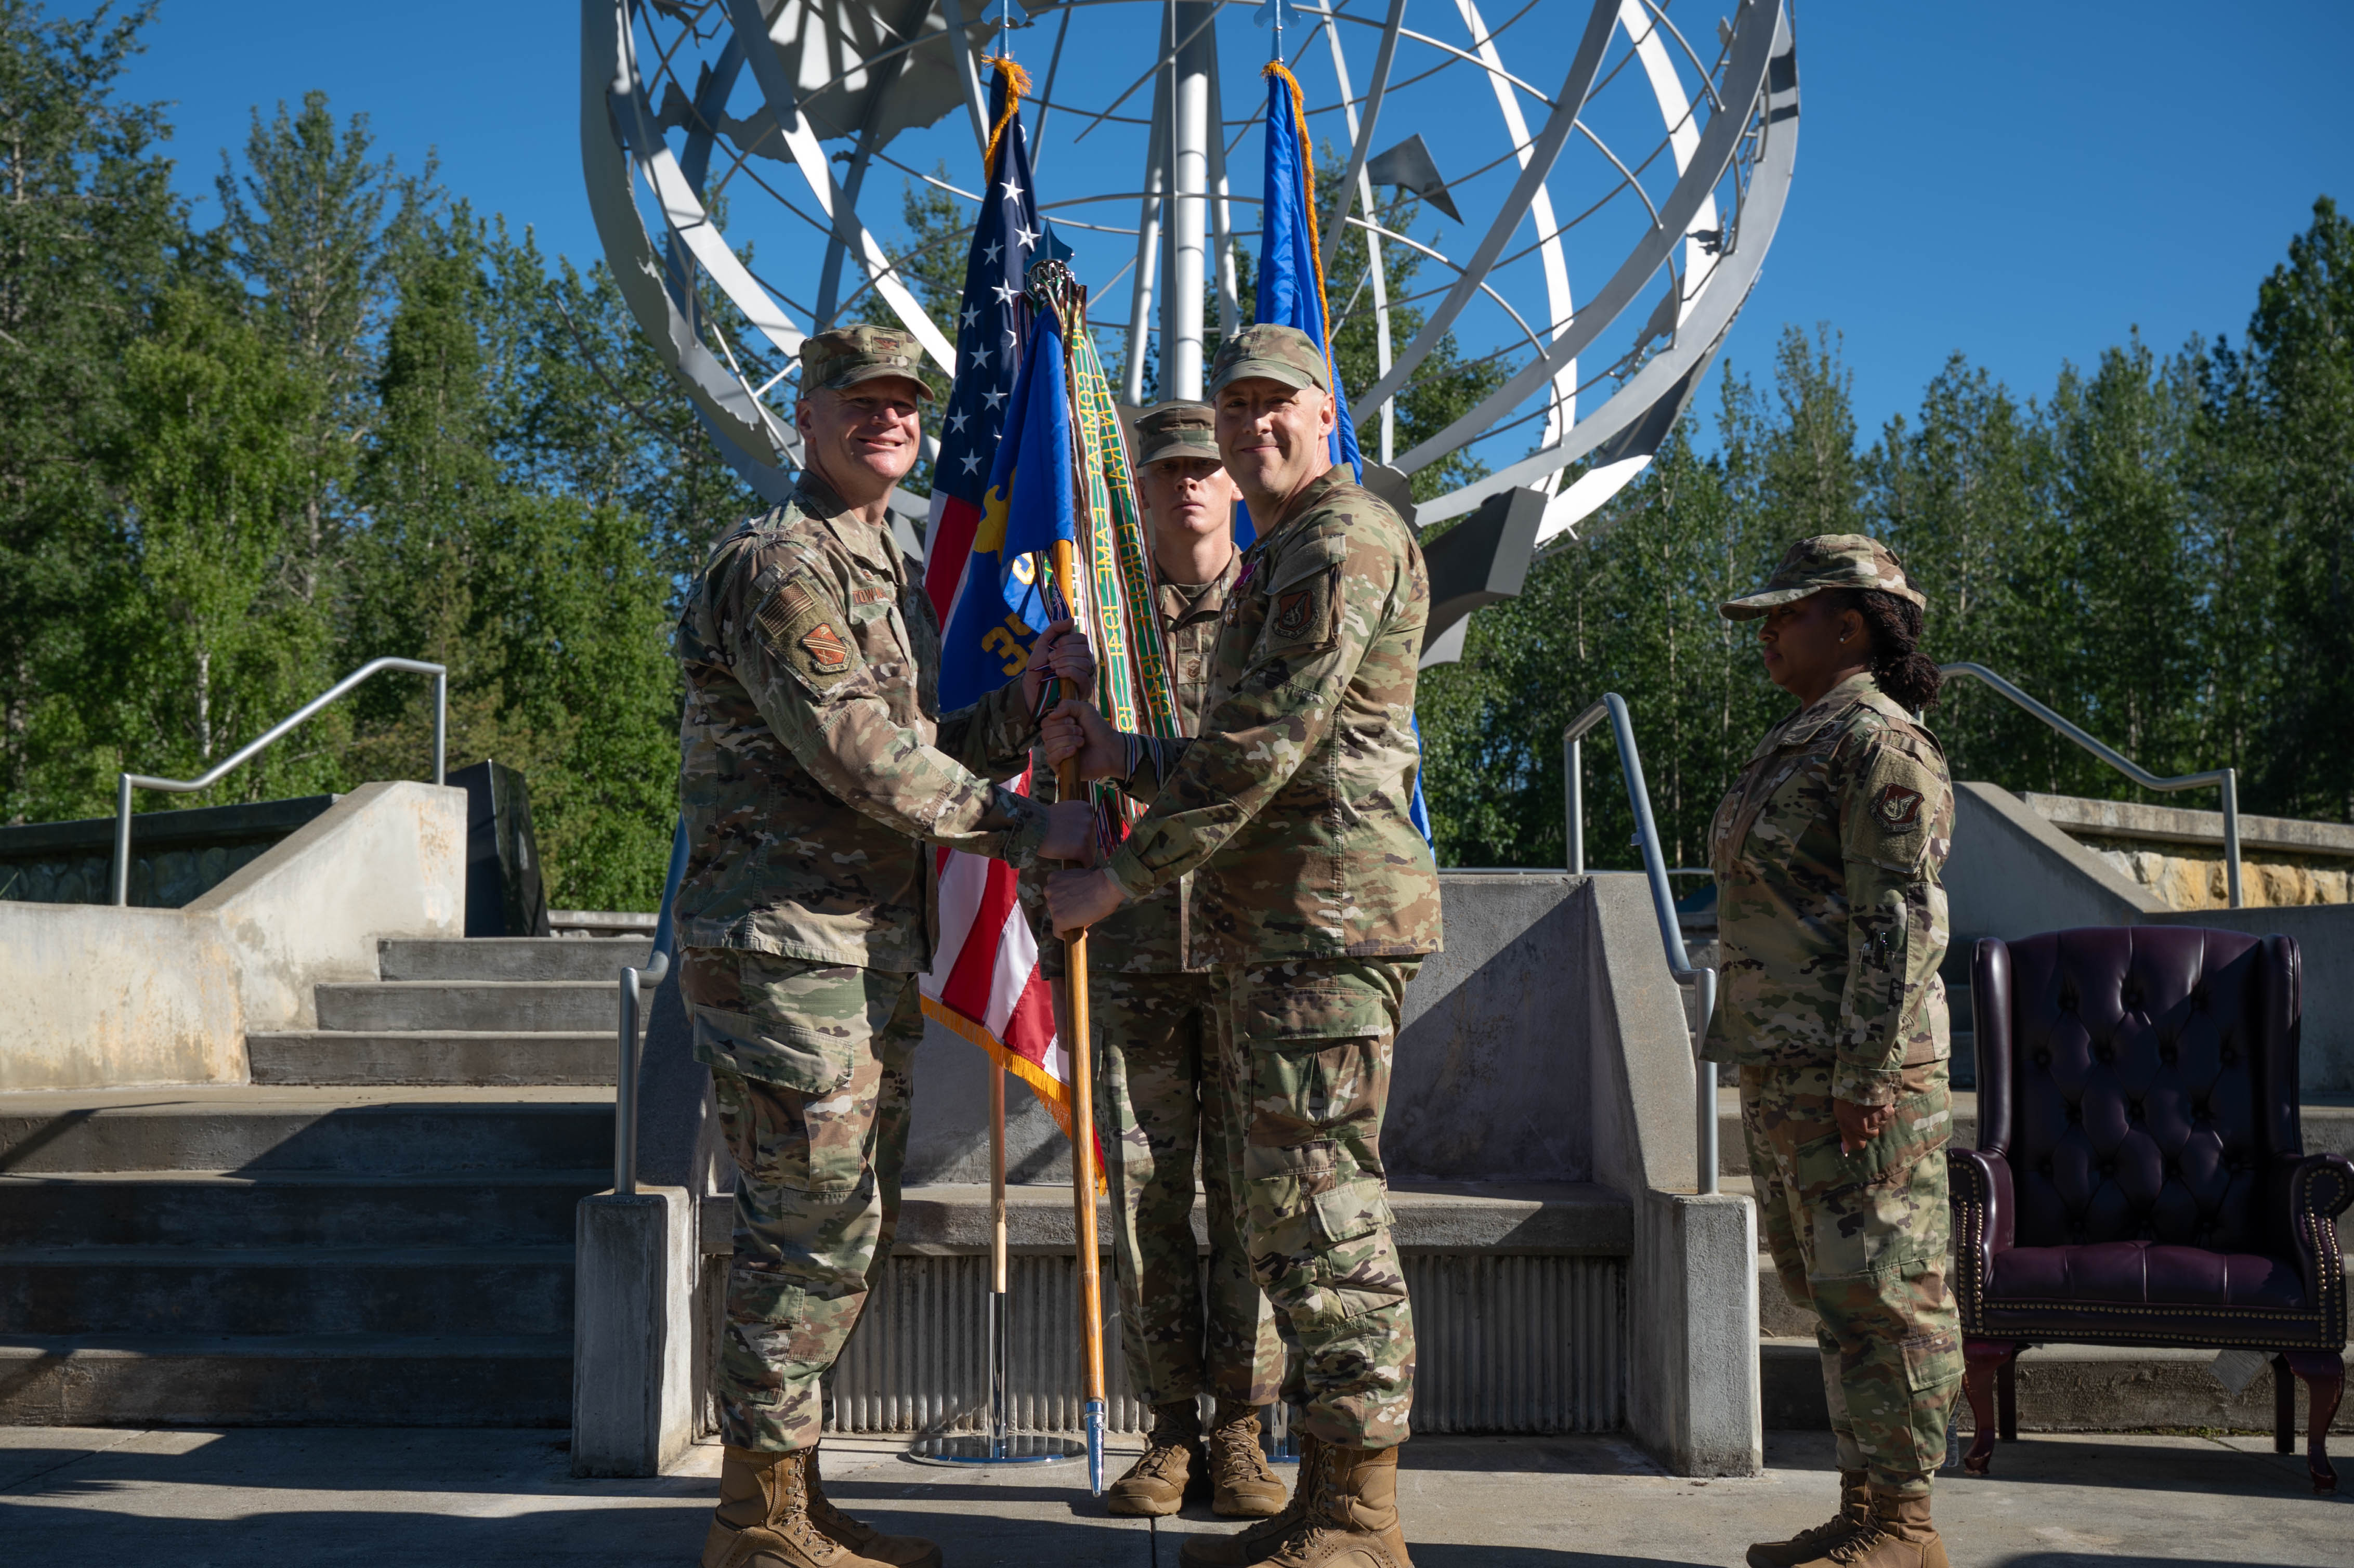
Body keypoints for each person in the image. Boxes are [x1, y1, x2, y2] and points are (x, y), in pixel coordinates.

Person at [674, 324, 1097, 1568]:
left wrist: (1026, 704)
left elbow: (925, 735)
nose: (888, 418)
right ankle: (756, 1522)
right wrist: (1027, 823)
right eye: (857, 400)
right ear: (803, 418)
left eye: (905, 402)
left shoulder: (881, 563)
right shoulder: (779, 563)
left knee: (846, 1220)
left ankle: (792, 1500)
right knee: (806, 1221)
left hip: (854, 944)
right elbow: (857, 750)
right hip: (784, 945)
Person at [1044, 323, 1441, 1568]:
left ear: (1326, 418)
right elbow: (1262, 746)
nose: (1251, 426)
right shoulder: (1299, 546)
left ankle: (1355, 1513)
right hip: (1276, 931)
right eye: (1234, 407)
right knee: (1289, 1214)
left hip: (1316, 927)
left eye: (1278, 404)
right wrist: (1122, 761)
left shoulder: (1340, 538)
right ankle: (1328, 1498)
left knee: (1323, 1218)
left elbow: (1267, 744)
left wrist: (1116, 874)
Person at [1035, 402, 1286, 1521]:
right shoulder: (1101, 629)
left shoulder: (1278, 608)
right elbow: (1046, 776)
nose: (1187, 486)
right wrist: (1053, 694)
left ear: (1233, 483)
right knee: (1145, 1196)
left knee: (1247, 1200)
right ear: (1131, 492)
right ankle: (1167, 1429)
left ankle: (1241, 1429)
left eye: (1203, 468)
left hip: (1247, 942)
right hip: (1129, 945)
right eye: (1165, 471)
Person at [1704, 535, 1960, 1568]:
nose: (1765, 631)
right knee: (1834, 1294)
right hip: (1791, 1065)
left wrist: (1864, 1069)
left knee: (1884, 1295)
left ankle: (1903, 1525)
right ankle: (1863, 1510)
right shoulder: (1805, 735)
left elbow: (1897, 921)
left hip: (1859, 1074)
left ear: (1848, 621)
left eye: (1784, 613)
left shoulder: (1877, 742)